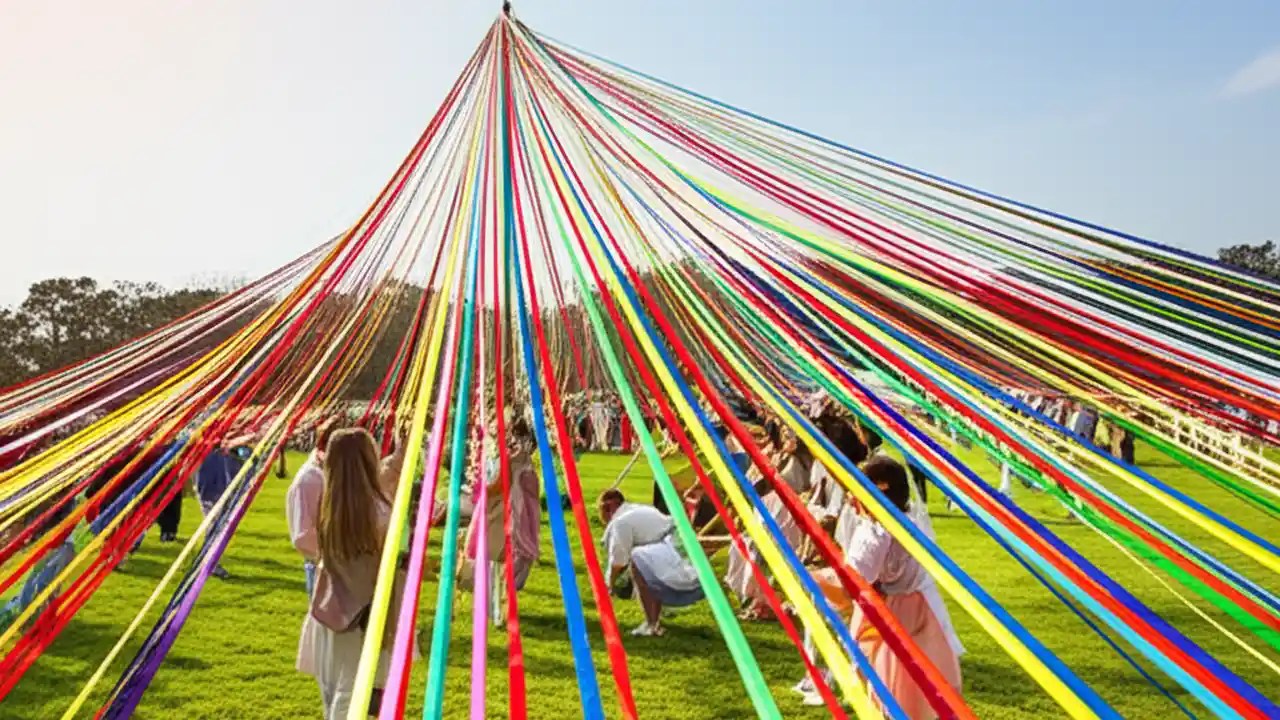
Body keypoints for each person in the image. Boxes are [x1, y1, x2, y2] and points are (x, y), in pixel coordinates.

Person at [298, 427, 406, 719]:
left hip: (330, 611)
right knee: (350, 691)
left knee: (335, 690)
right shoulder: (379, 511)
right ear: (367, 462)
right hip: (365, 617)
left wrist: (400, 453)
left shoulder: (331, 508)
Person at [846, 455, 963, 718]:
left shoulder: (880, 531)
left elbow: (859, 573)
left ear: (880, 489)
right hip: (920, 605)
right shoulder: (911, 519)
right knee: (919, 676)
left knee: (897, 676)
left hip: (899, 611)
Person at [599, 489, 704, 637]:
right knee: (644, 563)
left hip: (673, 550)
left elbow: (618, 561)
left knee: (638, 561)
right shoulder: (639, 509)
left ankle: (651, 624)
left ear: (609, 507)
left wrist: (609, 584)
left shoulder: (620, 523)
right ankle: (654, 621)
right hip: (679, 544)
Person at [462, 415, 541, 593]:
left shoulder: (510, 455)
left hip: (505, 505)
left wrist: (480, 489)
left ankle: (490, 582)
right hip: (522, 505)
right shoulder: (522, 455)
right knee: (510, 544)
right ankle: (503, 582)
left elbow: (500, 485)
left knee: (490, 541)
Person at [288, 417, 339, 596]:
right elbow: (302, 535)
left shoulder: (330, 471)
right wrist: (333, 556)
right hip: (324, 566)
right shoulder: (310, 478)